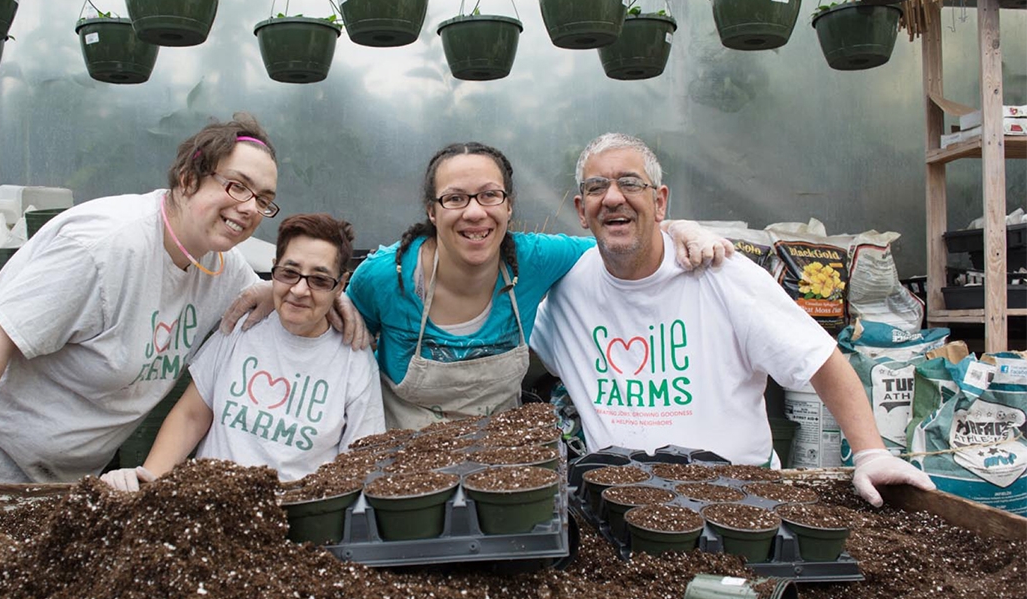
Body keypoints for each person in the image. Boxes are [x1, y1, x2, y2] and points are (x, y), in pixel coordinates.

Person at [0, 114, 359, 515]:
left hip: (58, 481)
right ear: (188, 177)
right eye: (236, 186)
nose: (250, 207)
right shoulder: (101, 247)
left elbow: (290, 290)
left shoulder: (219, 265)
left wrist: (327, 294)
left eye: (264, 199)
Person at [530, 132, 936, 507]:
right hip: (622, 503)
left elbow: (820, 357)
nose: (613, 197)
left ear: (660, 202)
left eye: (631, 183)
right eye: (597, 187)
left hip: (738, 500)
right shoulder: (566, 288)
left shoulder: (720, 273)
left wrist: (871, 454)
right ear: (582, 210)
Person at [342, 141, 733, 429]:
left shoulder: (533, 260)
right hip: (403, 481)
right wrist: (336, 305)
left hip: (501, 475)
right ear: (432, 211)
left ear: (509, 206)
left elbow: (617, 237)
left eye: (489, 195)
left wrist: (681, 228)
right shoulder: (385, 277)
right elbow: (333, 336)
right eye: (455, 199)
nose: (475, 212)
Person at [99, 213, 384, 489]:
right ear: (274, 270)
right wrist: (147, 480)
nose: (299, 290)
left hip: (298, 518)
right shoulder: (243, 326)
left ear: (340, 286)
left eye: (319, 280)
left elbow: (359, 464)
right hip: (215, 507)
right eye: (289, 273)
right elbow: (192, 416)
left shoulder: (353, 360)